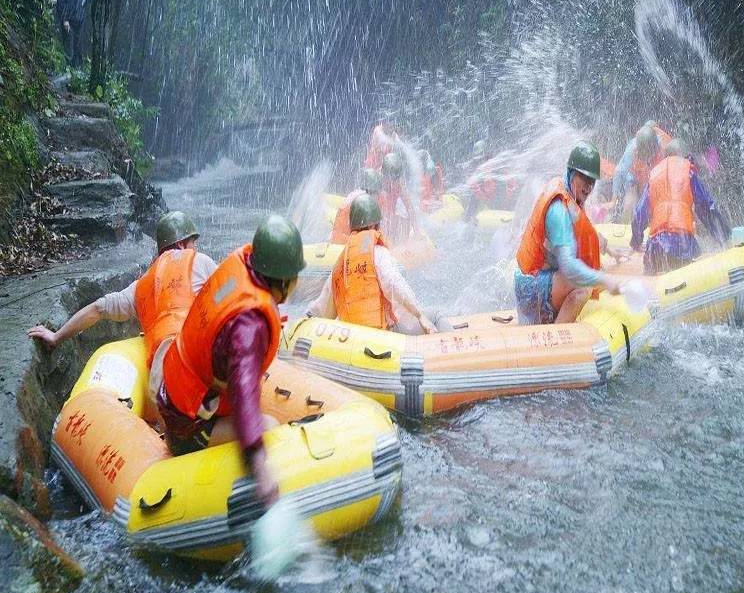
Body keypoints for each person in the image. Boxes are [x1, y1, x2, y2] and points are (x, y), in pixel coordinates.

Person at [157, 215, 305, 507]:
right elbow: (243, 389)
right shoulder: (250, 326)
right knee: (271, 426)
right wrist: (259, 463)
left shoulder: (242, 268)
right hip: (186, 427)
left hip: (171, 400)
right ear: (284, 279)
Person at [28, 212, 216, 402]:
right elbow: (229, 300)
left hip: (164, 381)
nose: (195, 248)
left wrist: (56, 337)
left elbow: (98, 309)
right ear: (181, 245)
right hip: (199, 365)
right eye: (193, 243)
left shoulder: (140, 286)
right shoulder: (200, 261)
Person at [514, 142, 624, 324]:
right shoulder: (559, 211)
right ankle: (558, 335)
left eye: (592, 181)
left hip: (541, 279)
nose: (588, 186)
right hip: (530, 288)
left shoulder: (570, 194)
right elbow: (570, 268)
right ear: (572, 173)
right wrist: (606, 280)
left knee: (595, 272)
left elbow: (586, 234)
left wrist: (610, 251)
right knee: (584, 287)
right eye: (584, 178)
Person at [308, 195, 440, 335]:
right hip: (380, 333)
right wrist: (419, 315)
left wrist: (308, 318)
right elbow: (394, 284)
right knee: (435, 316)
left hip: (352, 336)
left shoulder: (342, 261)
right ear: (374, 225)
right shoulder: (379, 253)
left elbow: (324, 308)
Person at [630, 139, 730, 274]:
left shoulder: (654, 175)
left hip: (655, 247)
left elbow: (639, 215)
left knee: (652, 273)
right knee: (693, 262)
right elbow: (706, 206)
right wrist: (723, 236)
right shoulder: (688, 171)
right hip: (682, 244)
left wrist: (636, 242)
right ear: (685, 156)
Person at [611, 123, 668, 222]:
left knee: (654, 206)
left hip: (652, 179)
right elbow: (619, 173)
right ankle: (626, 225)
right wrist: (613, 200)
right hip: (633, 178)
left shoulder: (662, 149)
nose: (647, 158)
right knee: (629, 205)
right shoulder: (631, 150)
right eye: (644, 155)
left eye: (649, 154)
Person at [330, 168, 381, 244]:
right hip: (342, 240)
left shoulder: (358, 195)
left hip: (340, 237)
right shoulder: (364, 202)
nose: (378, 195)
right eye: (377, 192)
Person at [379, 152, 421, 242]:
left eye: (395, 179)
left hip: (391, 212)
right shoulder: (377, 183)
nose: (392, 182)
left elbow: (410, 208)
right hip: (381, 214)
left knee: (403, 213)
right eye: (390, 179)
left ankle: (403, 242)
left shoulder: (399, 184)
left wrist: (417, 232)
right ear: (384, 175)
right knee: (385, 218)